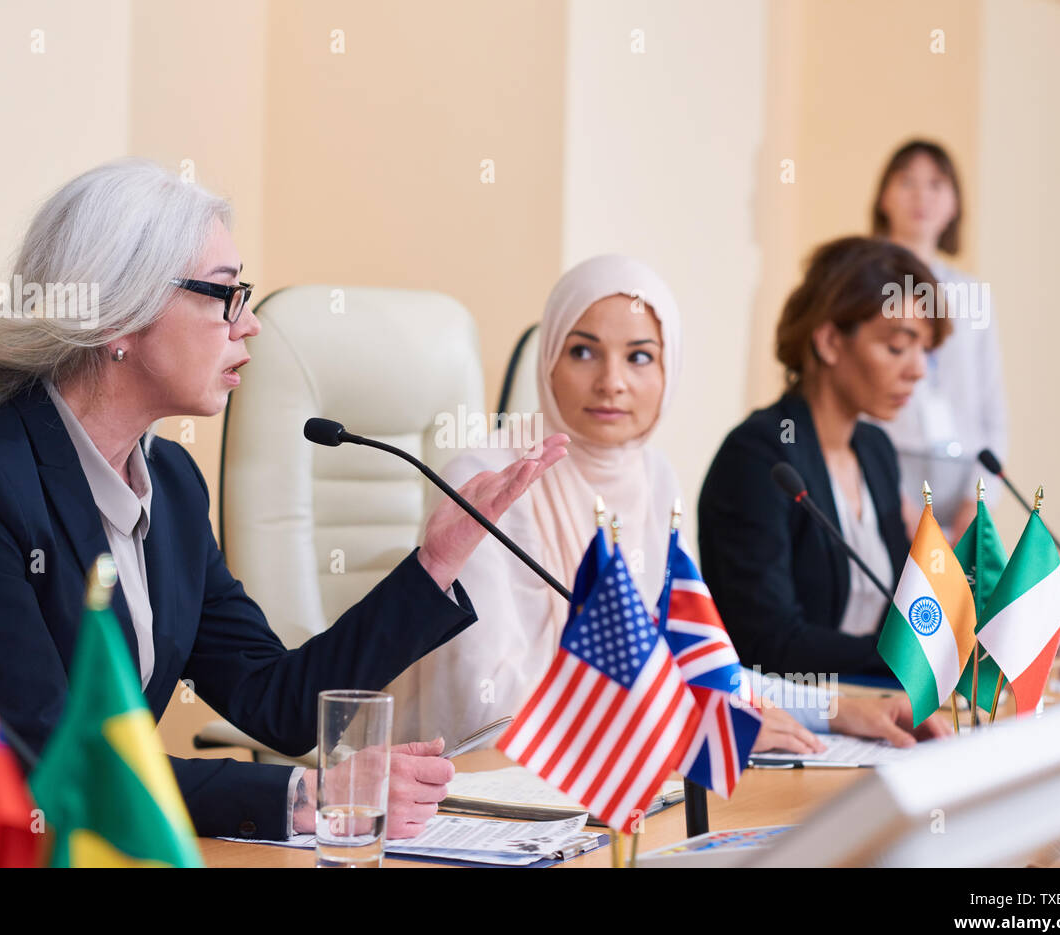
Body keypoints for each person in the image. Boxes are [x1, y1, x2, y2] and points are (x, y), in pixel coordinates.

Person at [0, 159, 568, 841]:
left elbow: (275, 701)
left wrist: (436, 560)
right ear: (120, 315)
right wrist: (306, 793)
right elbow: (52, 762)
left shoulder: (170, 483)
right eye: (223, 294)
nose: (250, 324)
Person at [392, 255, 950, 755]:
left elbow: (692, 661)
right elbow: (488, 706)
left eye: (640, 357)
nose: (612, 382)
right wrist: (686, 727)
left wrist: (835, 710)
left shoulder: (654, 477)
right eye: (583, 351)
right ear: (549, 361)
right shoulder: (486, 478)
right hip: (478, 799)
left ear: (668, 370)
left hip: (615, 780)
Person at [698, 237, 953, 683]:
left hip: (872, 708)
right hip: (788, 723)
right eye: (897, 346)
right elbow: (769, 641)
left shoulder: (875, 450)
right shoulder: (758, 455)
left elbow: (899, 605)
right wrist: (916, 656)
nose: (917, 370)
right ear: (830, 341)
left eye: (924, 352)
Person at [868, 139, 1007, 538]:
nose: (921, 196)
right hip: (887, 473)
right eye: (907, 181)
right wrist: (893, 498)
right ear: (883, 197)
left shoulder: (973, 294)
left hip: (962, 480)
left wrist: (978, 502)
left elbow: (992, 410)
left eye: (936, 184)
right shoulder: (862, 287)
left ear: (955, 204)